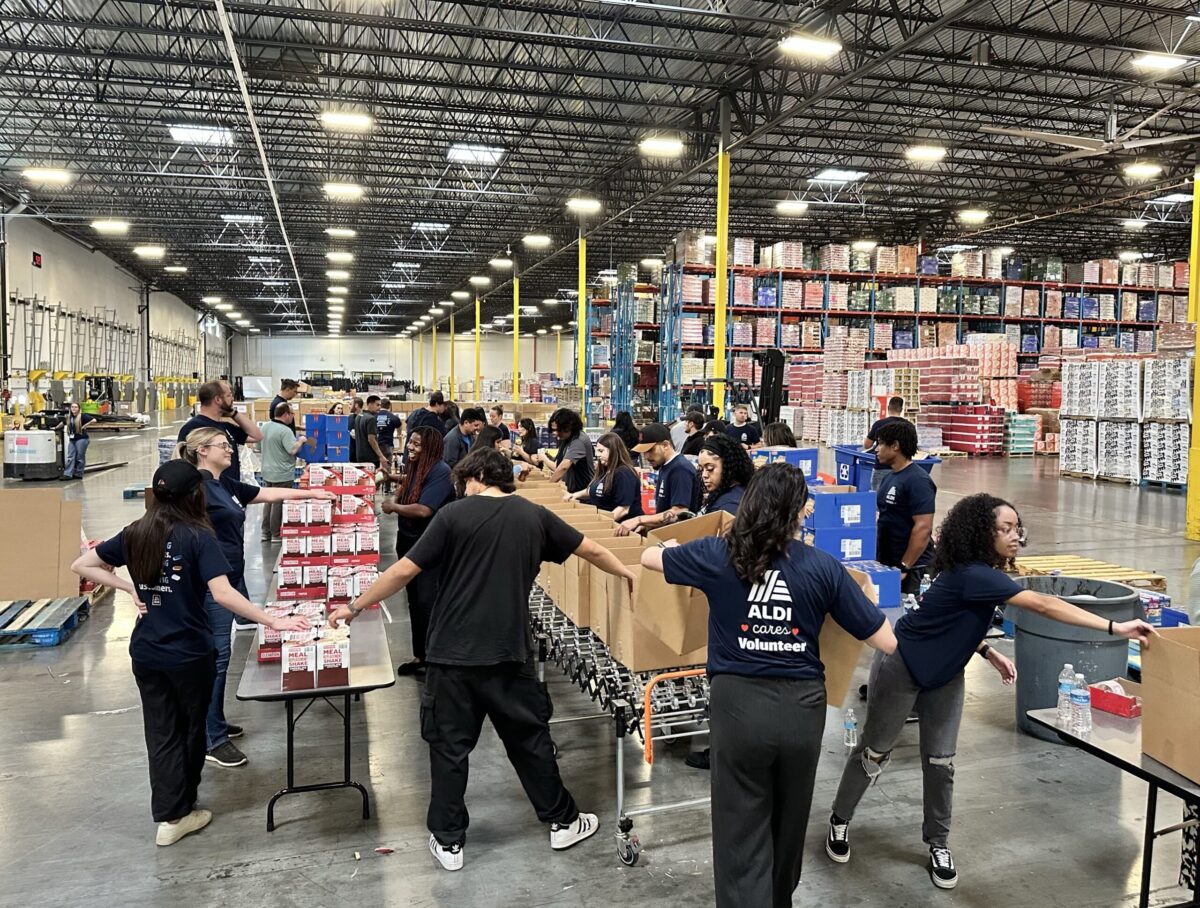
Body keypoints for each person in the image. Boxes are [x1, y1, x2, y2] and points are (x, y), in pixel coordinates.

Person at [328, 448, 639, 872]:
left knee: (449, 748)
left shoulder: (453, 516)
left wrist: (354, 605)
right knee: (529, 740)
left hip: (451, 654)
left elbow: (403, 570)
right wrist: (629, 574)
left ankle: (450, 842)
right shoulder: (533, 515)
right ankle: (563, 822)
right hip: (509, 653)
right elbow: (592, 549)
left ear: (473, 477)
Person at [828, 493, 1156, 891]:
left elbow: (956, 620)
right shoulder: (975, 574)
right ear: (981, 533)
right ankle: (840, 819)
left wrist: (985, 650)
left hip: (946, 675)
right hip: (903, 667)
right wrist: (1114, 628)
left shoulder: (978, 573)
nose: (1014, 536)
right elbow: (1042, 604)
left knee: (941, 762)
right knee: (875, 751)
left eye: (1016, 527)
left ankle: (938, 843)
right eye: (1004, 529)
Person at [640, 463, 898, 908]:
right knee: (789, 817)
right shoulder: (823, 567)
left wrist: (667, 544)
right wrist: (867, 592)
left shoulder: (717, 554)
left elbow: (649, 559)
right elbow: (887, 641)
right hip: (802, 709)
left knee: (740, 821)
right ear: (800, 512)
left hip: (738, 706)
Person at [70, 460, 310, 846]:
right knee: (191, 729)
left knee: (161, 731)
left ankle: (169, 814)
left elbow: (81, 564)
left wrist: (128, 588)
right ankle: (181, 811)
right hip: (189, 652)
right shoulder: (198, 537)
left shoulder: (136, 531)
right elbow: (224, 593)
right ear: (194, 496)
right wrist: (273, 621)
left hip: (147, 650)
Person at [174, 427, 335, 769]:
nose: (230, 450)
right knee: (216, 659)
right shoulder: (196, 489)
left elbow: (265, 494)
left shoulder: (225, 484)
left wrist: (310, 494)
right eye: (223, 445)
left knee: (221, 656)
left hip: (228, 579)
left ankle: (213, 722)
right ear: (202, 451)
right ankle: (210, 739)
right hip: (208, 586)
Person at [385, 426, 454, 677]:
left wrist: (393, 508)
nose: (410, 448)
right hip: (410, 542)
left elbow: (424, 509)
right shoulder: (417, 467)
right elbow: (407, 488)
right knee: (415, 602)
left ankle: (436, 659)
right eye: (410, 443)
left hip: (430, 549)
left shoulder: (441, 472)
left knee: (428, 602)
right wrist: (392, 485)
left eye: (416, 444)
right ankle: (422, 655)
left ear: (431, 448)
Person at [874, 420, 935, 597]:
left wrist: (904, 566)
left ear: (895, 446)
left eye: (881, 443)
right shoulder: (889, 478)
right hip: (890, 565)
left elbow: (923, 528)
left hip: (913, 569)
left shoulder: (918, 481)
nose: (876, 449)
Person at [616, 423, 701, 536]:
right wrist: (649, 524)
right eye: (644, 452)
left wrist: (640, 520)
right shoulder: (665, 466)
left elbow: (679, 512)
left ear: (665, 445)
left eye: (650, 450)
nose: (646, 456)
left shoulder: (680, 470)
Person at [178, 380, 263, 481]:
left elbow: (257, 436)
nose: (232, 399)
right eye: (229, 395)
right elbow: (184, 465)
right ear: (218, 399)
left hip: (230, 489)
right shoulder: (194, 427)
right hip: (210, 490)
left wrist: (233, 414)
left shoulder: (226, 426)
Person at [564, 433, 643, 521]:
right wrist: (574, 495)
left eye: (601, 451)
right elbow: (594, 490)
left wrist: (602, 523)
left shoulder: (623, 474)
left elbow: (623, 509)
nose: (597, 454)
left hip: (621, 527)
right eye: (597, 451)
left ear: (613, 451)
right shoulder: (605, 470)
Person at [258, 404, 308, 542]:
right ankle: (276, 534)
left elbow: (258, 447)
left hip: (267, 470)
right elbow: (292, 450)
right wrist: (301, 441)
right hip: (282, 472)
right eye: (292, 414)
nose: (292, 417)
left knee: (268, 501)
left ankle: (265, 532)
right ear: (286, 414)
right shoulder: (285, 430)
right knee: (278, 502)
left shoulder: (265, 427)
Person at [696, 433, 753, 516]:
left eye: (710, 468)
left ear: (728, 466)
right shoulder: (742, 490)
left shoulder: (728, 506)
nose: (704, 475)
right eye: (701, 469)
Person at [864, 396, 910, 491]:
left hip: (882, 467)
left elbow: (867, 445)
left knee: (878, 497)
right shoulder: (909, 426)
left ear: (888, 408)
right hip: (902, 468)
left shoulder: (879, 424)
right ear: (901, 410)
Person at [546, 408, 594, 494]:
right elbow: (559, 464)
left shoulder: (579, 440)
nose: (556, 433)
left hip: (583, 492)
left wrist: (548, 487)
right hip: (572, 491)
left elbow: (563, 467)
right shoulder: (566, 439)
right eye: (554, 430)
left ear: (569, 427)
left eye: (558, 430)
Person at [61, 401, 96, 480]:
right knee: (70, 456)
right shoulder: (69, 417)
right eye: (72, 407)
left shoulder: (82, 416)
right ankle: (68, 474)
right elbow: (63, 423)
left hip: (82, 439)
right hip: (72, 439)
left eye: (75, 407)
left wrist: (84, 426)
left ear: (79, 409)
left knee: (79, 457)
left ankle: (78, 473)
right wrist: (55, 428)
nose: (74, 408)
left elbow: (94, 420)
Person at [354, 395, 387, 468]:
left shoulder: (359, 416)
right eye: (377, 405)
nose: (379, 407)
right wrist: (381, 456)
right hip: (370, 457)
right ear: (369, 404)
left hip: (359, 456)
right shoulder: (371, 419)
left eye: (380, 405)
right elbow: (371, 439)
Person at [376, 398, 403, 463]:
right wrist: (399, 434)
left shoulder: (374, 416)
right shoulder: (393, 417)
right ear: (389, 406)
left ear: (380, 405)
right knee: (387, 466)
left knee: (376, 466)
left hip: (375, 445)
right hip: (387, 444)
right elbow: (399, 425)